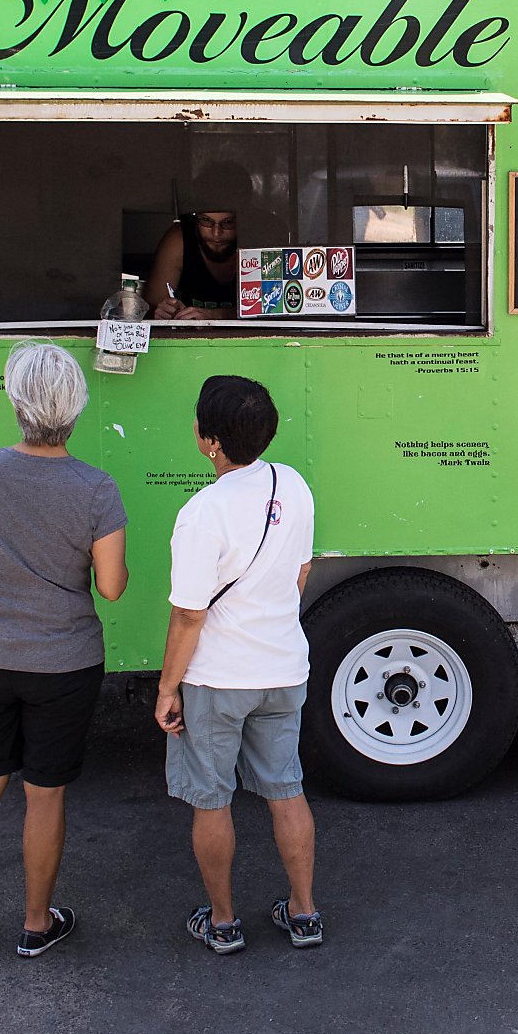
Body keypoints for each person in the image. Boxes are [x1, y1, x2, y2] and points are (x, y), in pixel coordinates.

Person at [0, 341, 129, 959]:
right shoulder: (96, 488)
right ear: (77, 408)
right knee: (44, 793)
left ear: (16, 401)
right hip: (63, 662)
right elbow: (112, 588)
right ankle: (36, 925)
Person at [154, 375, 322, 954]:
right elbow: (300, 573)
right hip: (283, 668)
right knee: (286, 789)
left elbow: (188, 617)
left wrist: (166, 688)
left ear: (210, 443)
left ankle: (223, 922)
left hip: (217, 678)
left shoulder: (202, 513)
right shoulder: (293, 485)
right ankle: (303, 913)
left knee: (212, 798)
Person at [145, 208, 239, 321]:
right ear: (196, 218)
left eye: (228, 222)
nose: (216, 233)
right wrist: (166, 312)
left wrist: (215, 316)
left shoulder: (256, 239)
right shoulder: (179, 239)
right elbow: (150, 307)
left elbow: (265, 312)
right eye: (206, 220)